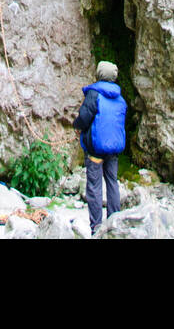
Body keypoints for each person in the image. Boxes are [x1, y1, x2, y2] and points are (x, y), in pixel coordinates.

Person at [73, 59, 128, 234]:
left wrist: (77, 126)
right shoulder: (120, 99)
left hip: (96, 149)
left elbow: (84, 117)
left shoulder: (94, 94)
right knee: (112, 183)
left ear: (99, 74)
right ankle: (114, 221)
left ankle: (96, 226)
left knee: (94, 186)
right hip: (113, 150)